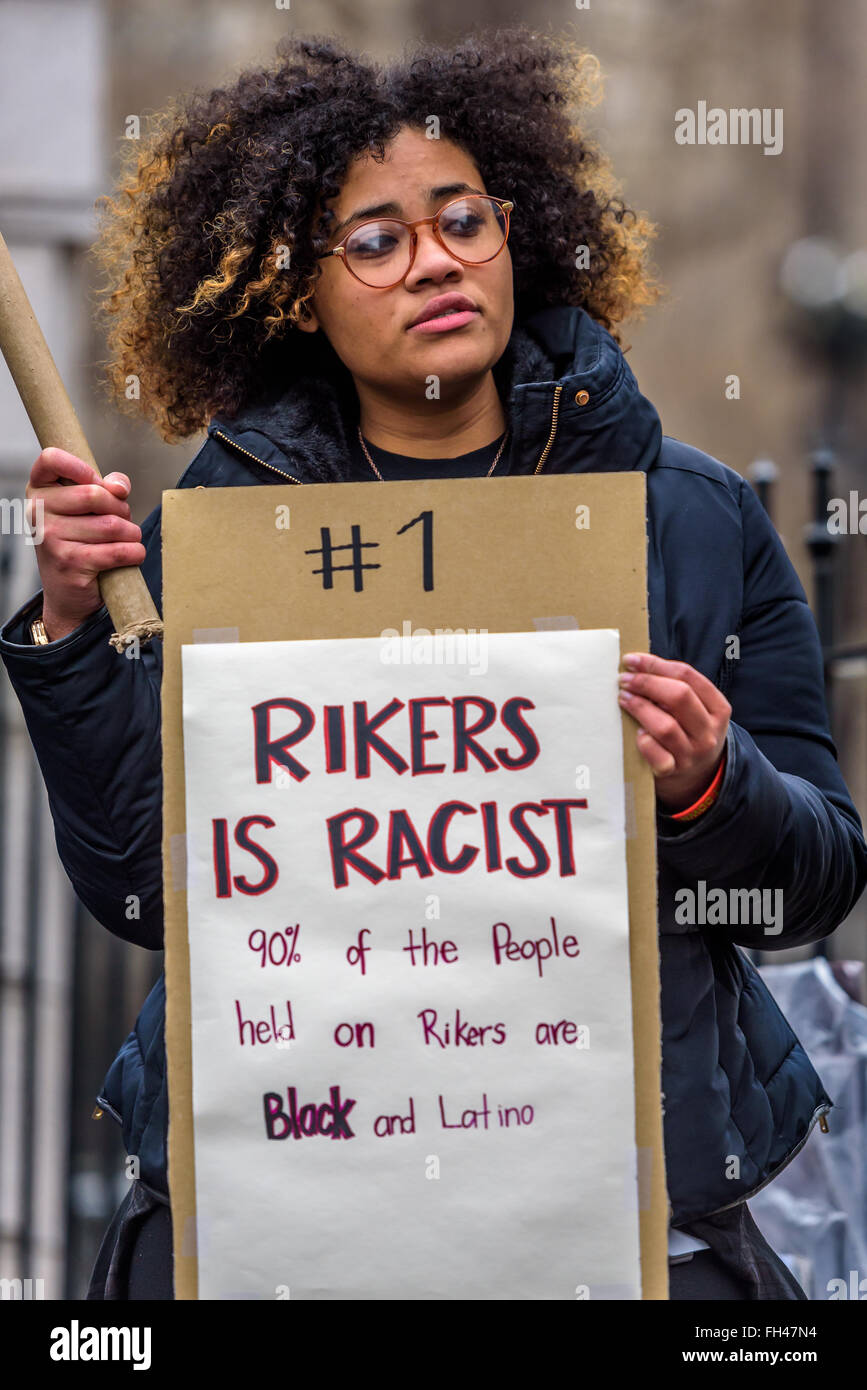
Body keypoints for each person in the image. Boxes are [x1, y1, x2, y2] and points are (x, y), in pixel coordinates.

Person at [2, 28, 865, 1301]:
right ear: (300, 289)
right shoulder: (215, 540)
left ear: (517, 230)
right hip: (289, 1208)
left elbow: (815, 885)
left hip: (626, 1231)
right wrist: (74, 634)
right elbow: (144, 893)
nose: (436, 264)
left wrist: (709, 788)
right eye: (376, 239)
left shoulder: (686, 517)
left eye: (465, 218)